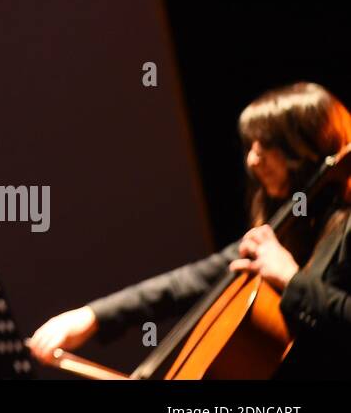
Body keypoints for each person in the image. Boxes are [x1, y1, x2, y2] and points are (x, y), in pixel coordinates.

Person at [28, 82, 351, 379]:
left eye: (267, 144)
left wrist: (291, 279)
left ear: (305, 147)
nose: (253, 160)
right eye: (250, 145)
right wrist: (93, 316)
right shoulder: (284, 232)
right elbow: (188, 282)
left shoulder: (340, 229)